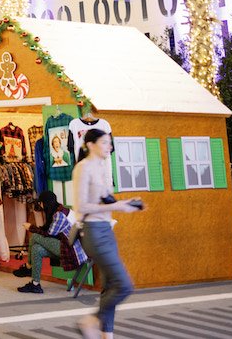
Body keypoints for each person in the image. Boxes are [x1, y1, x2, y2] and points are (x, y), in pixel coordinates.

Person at [74, 128, 143, 339]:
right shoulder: (83, 168)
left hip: (106, 230)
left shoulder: (101, 166)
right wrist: (118, 207)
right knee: (124, 285)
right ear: (91, 144)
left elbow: (104, 198)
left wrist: (125, 204)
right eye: (105, 142)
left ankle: (107, 336)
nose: (109, 146)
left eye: (109, 142)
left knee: (110, 285)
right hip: (93, 232)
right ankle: (90, 321)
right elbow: (82, 206)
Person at [14, 190, 85, 294]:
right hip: (66, 248)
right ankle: (35, 284)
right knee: (36, 249)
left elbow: (49, 233)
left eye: (41, 203)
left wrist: (31, 227)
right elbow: (50, 232)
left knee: (35, 236)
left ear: (45, 203)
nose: (40, 205)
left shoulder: (59, 215)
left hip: (72, 253)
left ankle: (29, 266)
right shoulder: (58, 210)